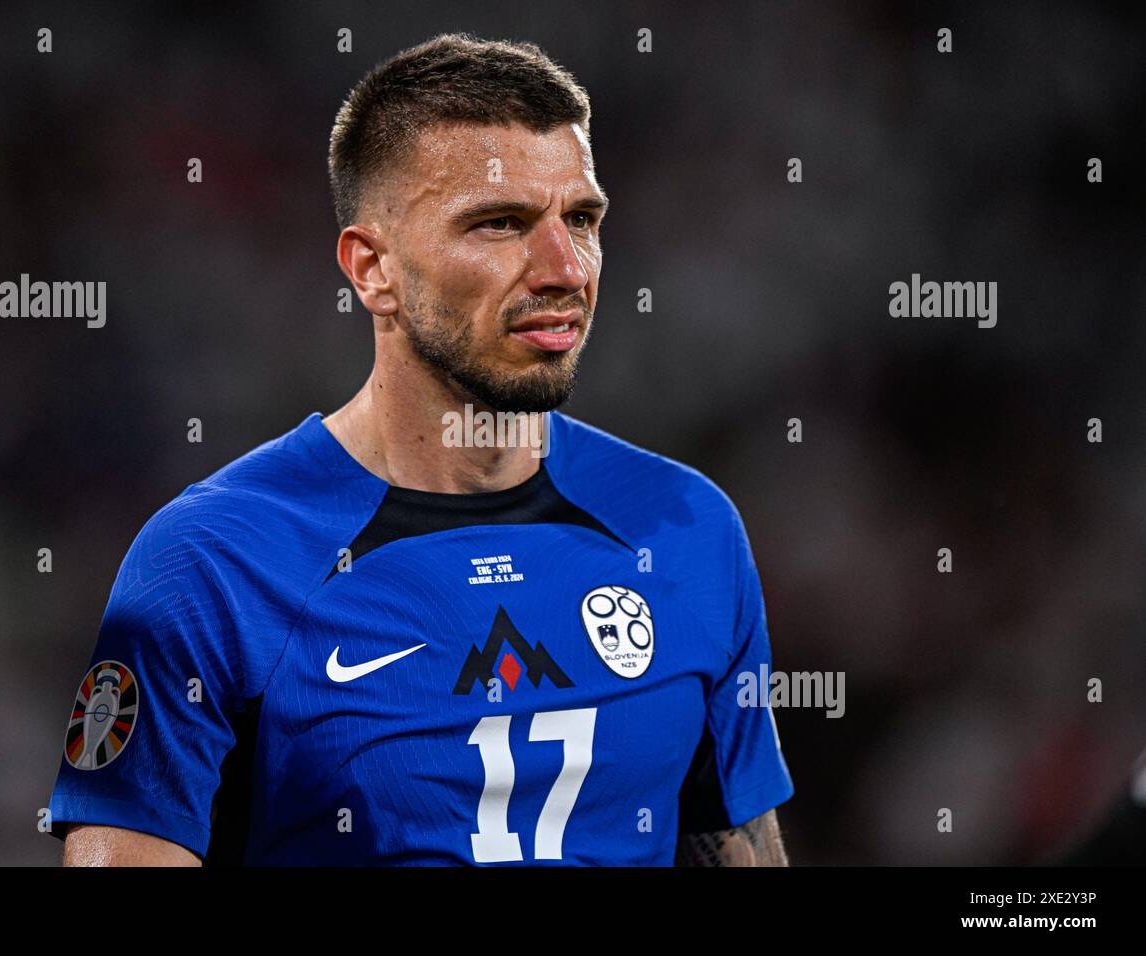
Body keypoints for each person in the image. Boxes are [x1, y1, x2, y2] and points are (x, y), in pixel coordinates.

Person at [47, 32, 793, 866]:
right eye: (501, 223)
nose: (565, 268)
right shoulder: (211, 565)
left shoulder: (689, 530)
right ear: (373, 270)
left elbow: (740, 845)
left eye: (581, 219)